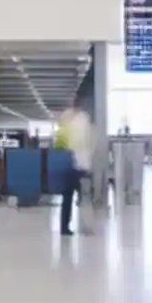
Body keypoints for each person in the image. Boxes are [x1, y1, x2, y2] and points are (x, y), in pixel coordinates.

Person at [56, 101, 95, 237]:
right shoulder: (84, 119)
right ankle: (87, 226)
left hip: (67, 163)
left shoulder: (65, 118)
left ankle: (64, 227)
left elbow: (59, 141)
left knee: (67, 198)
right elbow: (88, 142)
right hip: (81, 164)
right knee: (85, 197)